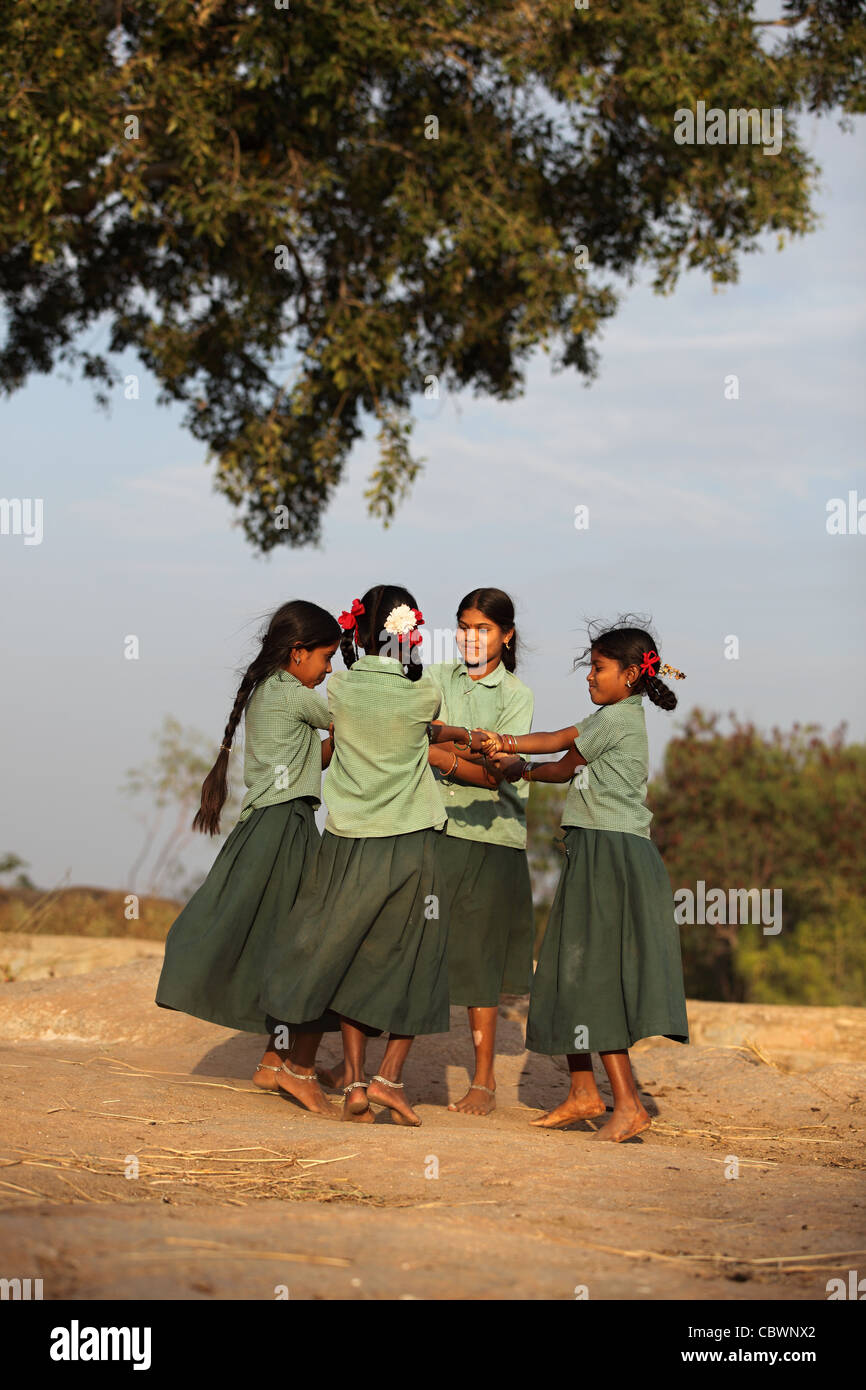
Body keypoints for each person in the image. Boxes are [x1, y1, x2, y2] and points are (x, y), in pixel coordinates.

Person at [261, 584, 490, 1127]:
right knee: (411, 961)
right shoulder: (425, 693)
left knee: (345, 957)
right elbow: (428, 737)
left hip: (346, 841)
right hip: (411, 841)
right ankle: (389, 1080)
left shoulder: (337, 691)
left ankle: (354, 1082)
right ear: (411, 636)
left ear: (358, 632)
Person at [482, 619, 690, 1142]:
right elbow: (562, 765)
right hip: (595, 850)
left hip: (612, 854)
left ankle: (629, 1105)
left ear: (630, 676)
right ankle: (582, 1093)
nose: (590, 677)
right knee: (564, 969)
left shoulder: (618, 718)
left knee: (593, 974)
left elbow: (556, 741)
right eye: (590, 668)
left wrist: (503, 741)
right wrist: (519, 769)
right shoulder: (612, 718)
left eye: (599, 668)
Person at [155, 600, 342, 1118]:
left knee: (287, 942)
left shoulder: (271, 693)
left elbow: (316, 757)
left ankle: (273, 1061)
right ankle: (288, 1066)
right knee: (306, 944)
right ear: (298, 653)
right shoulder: (292, 693)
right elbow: (355, 719)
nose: (330, 670)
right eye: (327, 658)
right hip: (284, 828)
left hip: (275, 823)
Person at [426, 588, 535, 1116]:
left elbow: (499, 769)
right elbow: (417, 733)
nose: (472, 637)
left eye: (484, 629)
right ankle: (370, 1068)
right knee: (408, 942)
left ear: (506, 635)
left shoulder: (517, 694)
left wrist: (446, 751)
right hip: (432, 826)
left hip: (492, 838)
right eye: (464, 626)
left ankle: (484, 1081)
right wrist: (469, 749)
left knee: (480, 959)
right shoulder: (435, 678)